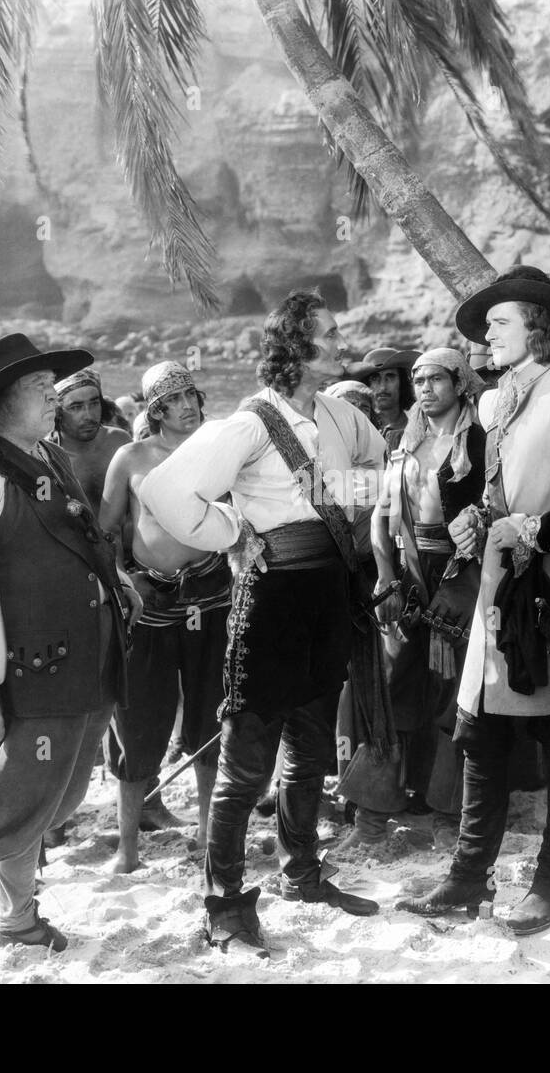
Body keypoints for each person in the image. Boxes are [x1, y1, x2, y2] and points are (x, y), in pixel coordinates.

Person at [142, 289, 386, 952]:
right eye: (328, 332)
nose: (341, 340)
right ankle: (223, 904)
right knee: (246, 762)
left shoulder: (339, 413)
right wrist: (230, 533)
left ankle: (302, 874)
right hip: (272, 599)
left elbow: (381, 468)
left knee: (309, 753)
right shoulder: (250, 423)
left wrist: (345, 496)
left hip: (329, 594)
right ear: (294, 346)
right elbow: (164, 490)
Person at [398, 265, 550, 935]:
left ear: (540, 324)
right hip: (497, 585)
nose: (483, 338)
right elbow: (483, 487)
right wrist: (471, 514)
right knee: (482, 732)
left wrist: (540, 528)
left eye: (498, 324)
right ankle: (469, 878)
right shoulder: (496, 402)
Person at [0, 333, 140, 962]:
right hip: (27, 681)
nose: (56, 398)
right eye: (40, 390)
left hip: (82, 671)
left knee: (48, 801)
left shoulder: (46, 461)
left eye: (54, 388)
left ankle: (19, 918)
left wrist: (117, 583)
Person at [344, 347, 486, 852]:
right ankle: (373, 812)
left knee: (453, 691)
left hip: (462, 575)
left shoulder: (480, 442)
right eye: (419, 380)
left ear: (460, 383)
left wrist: (459, 583)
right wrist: (385, 579)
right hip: (408, 573)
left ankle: (449, 812)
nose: (424, 389)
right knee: (394, 684)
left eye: (435, 380)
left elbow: (494, 514)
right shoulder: (405, 443)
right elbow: (384, 520)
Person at [99, 360, 230, 871]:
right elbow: (107, 529)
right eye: (175, 400)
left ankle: (205, 836)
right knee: (139, 725)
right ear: (155, 411)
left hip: (212, 595)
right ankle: (127, 848)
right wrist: (125, 580)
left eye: (192, 396)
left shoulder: (219, 451)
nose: (189, 406)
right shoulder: (131, 458)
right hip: (151, 605)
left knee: (210, 719)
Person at [49, 367, 133, 512]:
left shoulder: (119, 442)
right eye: (76, 407)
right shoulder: (46, 456)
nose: (88, 415)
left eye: (94, 403)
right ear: (57, 412)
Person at [345, 346, 419, 449]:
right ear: (366, 384)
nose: (383, 386)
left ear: (402, 383)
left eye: (390, 377)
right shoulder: (353, 428)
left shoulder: (418, 426)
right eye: (375, 378)